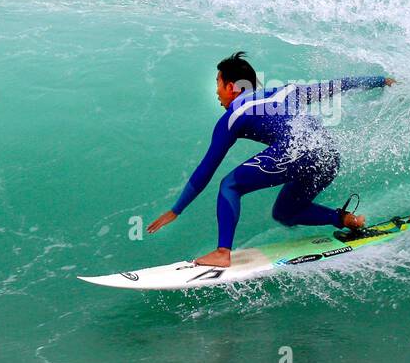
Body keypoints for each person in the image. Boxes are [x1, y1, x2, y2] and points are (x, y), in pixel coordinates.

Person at [147, 52, 395, 267]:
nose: (216, 92)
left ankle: (223, 252)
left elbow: (206, 170)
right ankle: (345, 219)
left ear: (232, 86)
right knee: (285, 212)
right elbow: (339, 85)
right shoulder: (289, 90)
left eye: (218, 83)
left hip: (295, 150)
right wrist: (380, 81)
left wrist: (176, 210)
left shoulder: (233, 115)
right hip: (327, 152)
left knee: (229, 185)